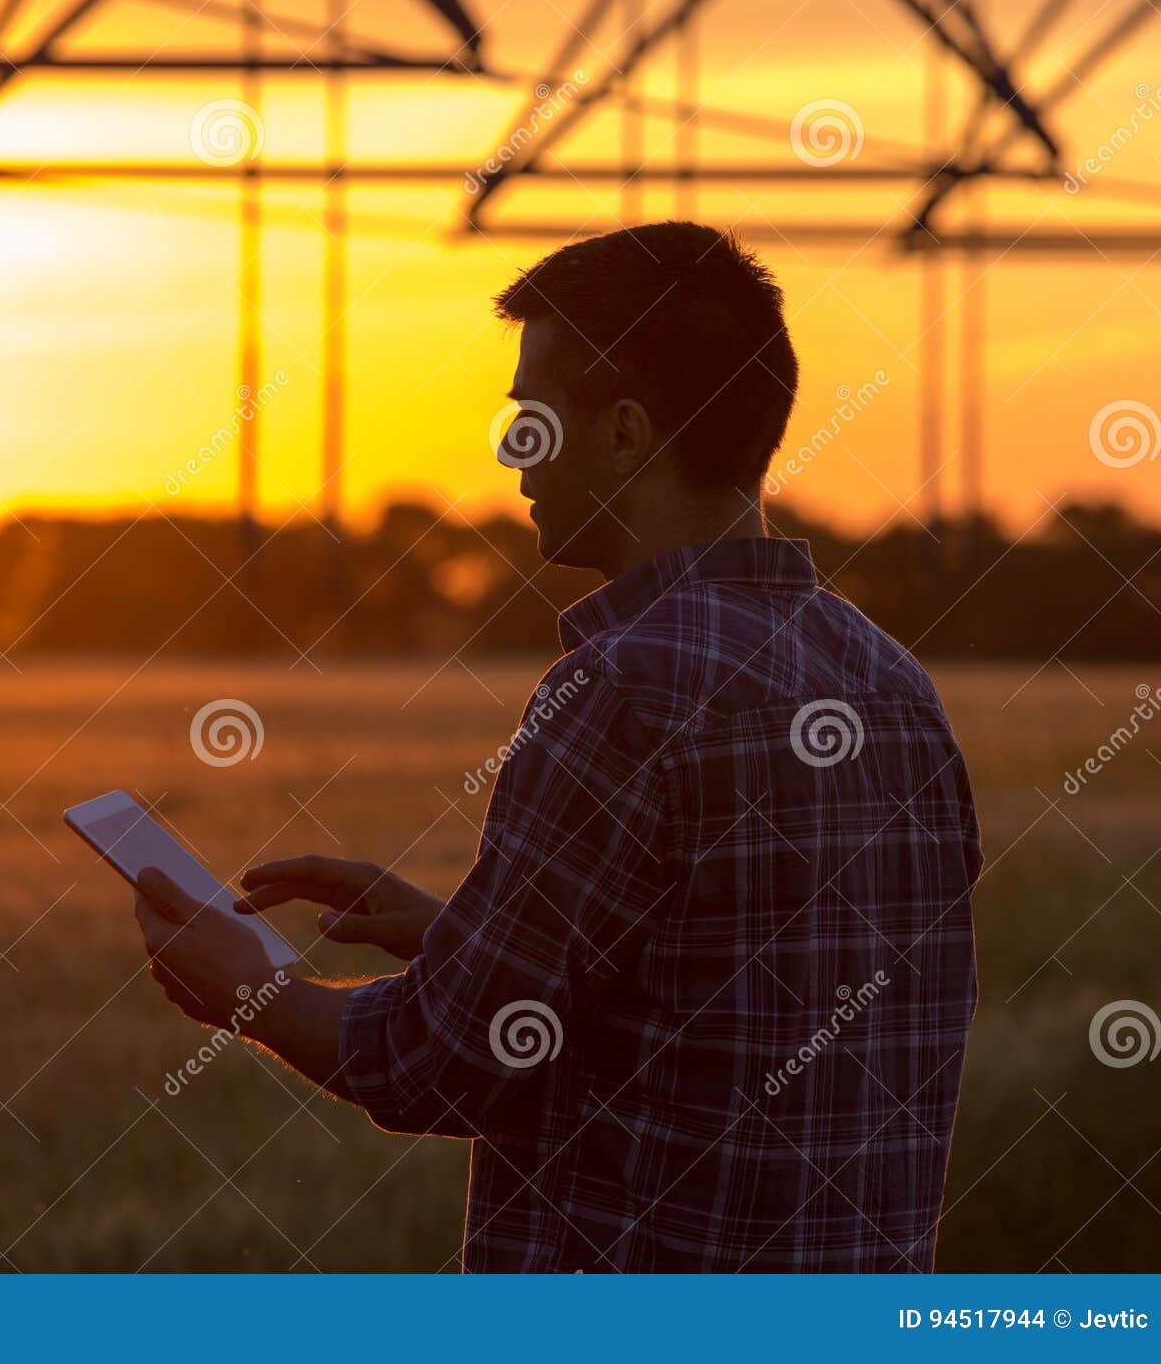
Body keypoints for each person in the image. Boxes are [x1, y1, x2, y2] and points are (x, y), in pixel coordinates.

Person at [133, 222, 984, 1272]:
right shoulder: (894, 688)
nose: (506, 453)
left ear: (624, 437)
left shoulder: (623, 692)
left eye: (530, 420)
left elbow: (444, 1064)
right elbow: (723, 1006)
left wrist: (252, 994)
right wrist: (460, 940)